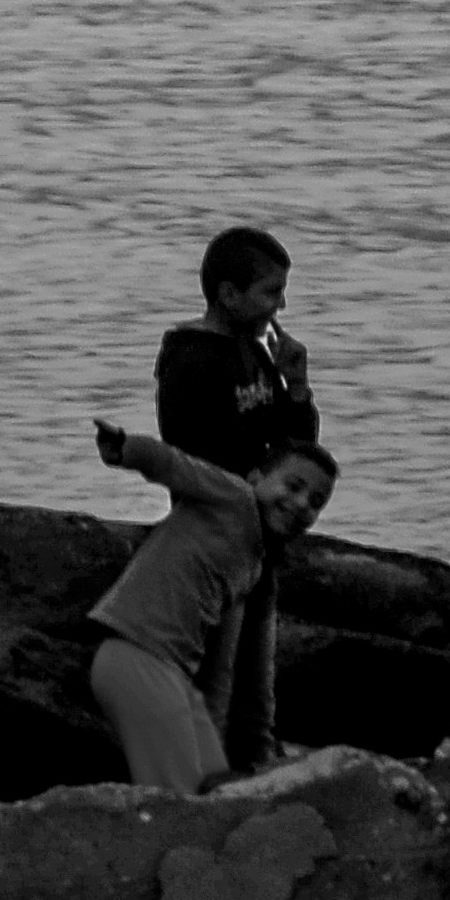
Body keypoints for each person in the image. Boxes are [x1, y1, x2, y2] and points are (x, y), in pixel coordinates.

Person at [81, 416, 332, 789]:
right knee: (183, 803)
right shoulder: (234, 498)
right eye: (293, 486)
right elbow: (175, 465)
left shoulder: (251, 567)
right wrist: (126, 449)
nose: (300, 504)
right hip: (134, 655)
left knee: (216, 784)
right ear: (255, 478)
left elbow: (219, 671)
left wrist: (218, 738)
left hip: (173, 676)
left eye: (315, 502)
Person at [155, 224, 319, 476]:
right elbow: (201, 463)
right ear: (229, 294)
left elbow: (298, 456)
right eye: (272, 292)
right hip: (214, 514)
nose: (281, 305)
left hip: (256, 511)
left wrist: (297, 388)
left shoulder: (253, 352)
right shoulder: (191, 362)